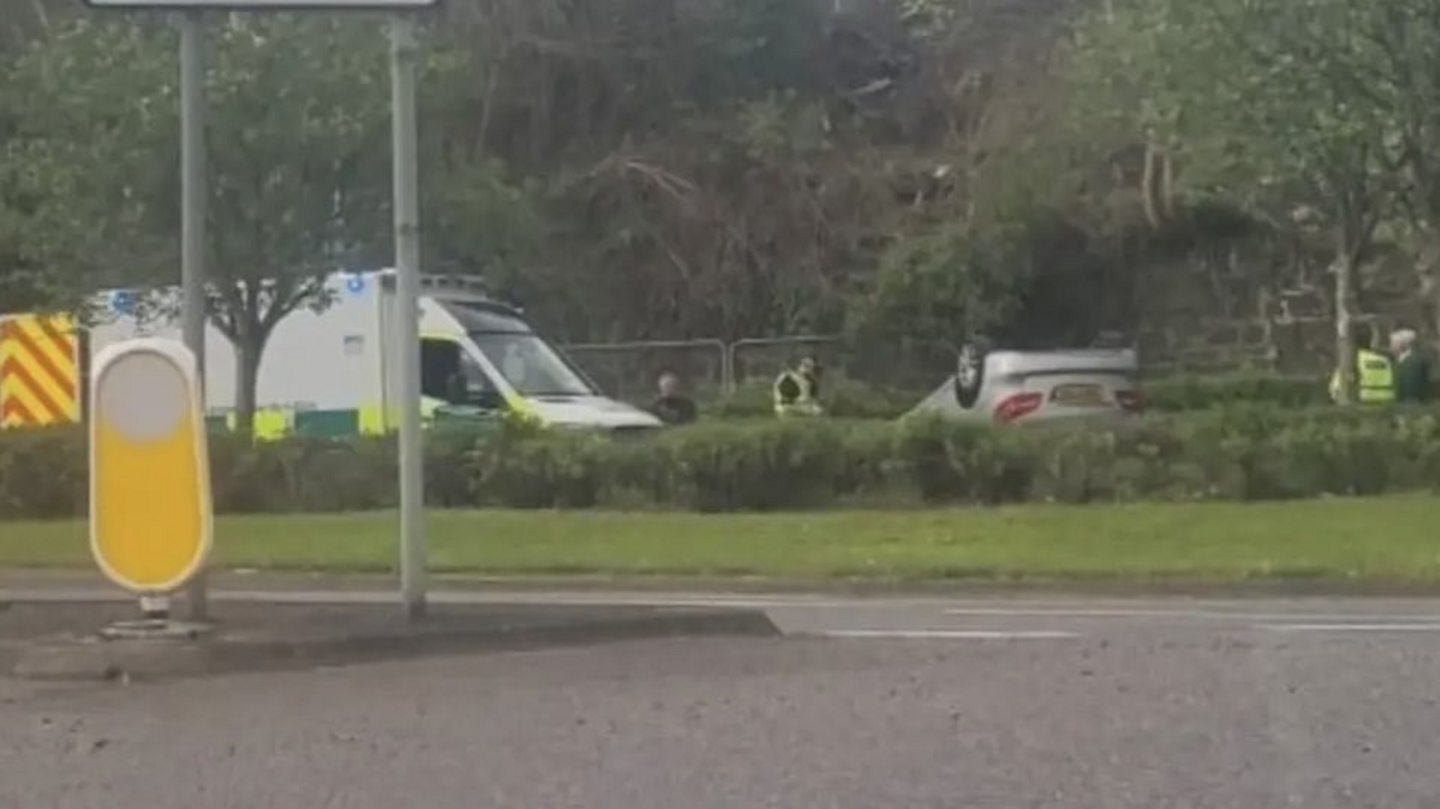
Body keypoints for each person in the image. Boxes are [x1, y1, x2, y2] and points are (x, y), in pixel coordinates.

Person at [1329, 322, 1396, 405]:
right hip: (1386, 407)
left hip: (1361, 408)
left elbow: (1336, 390)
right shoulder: (1385, 361)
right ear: (1371, 340)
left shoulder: (1350, 361)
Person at [1391, 328, 1432, 404]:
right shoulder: (1401, 360)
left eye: (1394, 343)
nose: (1391, 346)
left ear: (1403, 345)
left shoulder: (1413, 363)